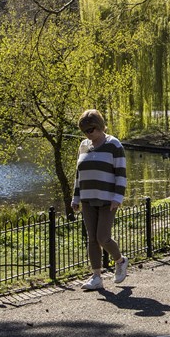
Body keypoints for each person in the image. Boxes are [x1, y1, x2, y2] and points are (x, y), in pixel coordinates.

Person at [73, 109, 129, 291]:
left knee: (102, 237)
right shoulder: (84, 145)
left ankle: (120, 261)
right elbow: (78, 175)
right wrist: (76, 197)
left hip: (107, 199)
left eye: (91, 130)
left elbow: (121, 173)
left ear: (100, 126)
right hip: (88, 198)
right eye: (85, 131)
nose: (88, 134)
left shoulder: (114, 145)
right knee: (92, 239)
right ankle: (96, 276)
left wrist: (117, 197)